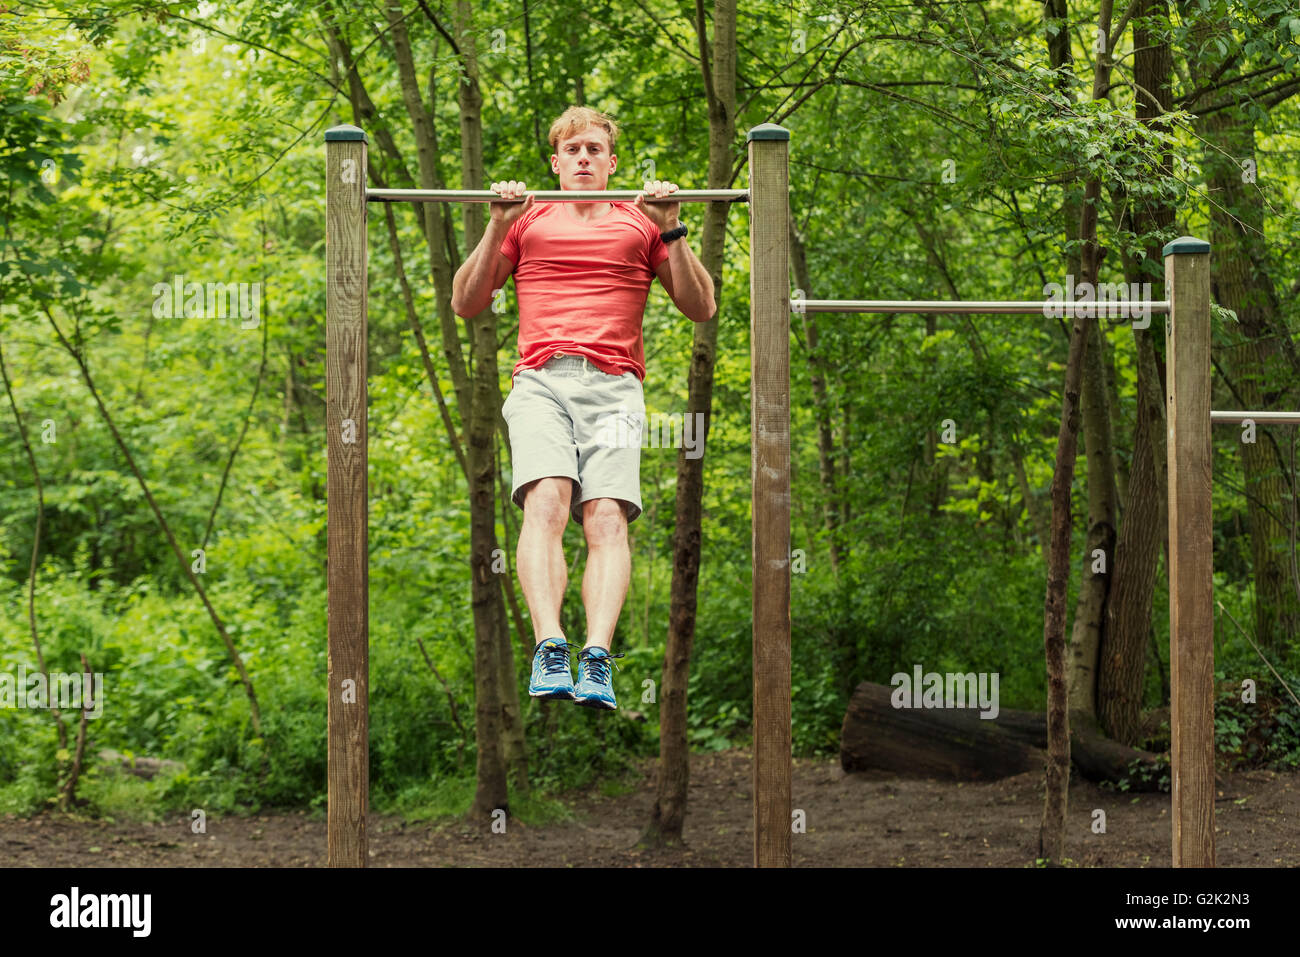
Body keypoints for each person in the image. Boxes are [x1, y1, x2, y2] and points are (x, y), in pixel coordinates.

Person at [450, 106, 716, 710]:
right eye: (573, 151)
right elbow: (467, 303)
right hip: (541, 380)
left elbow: (702, 308)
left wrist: (672, 226)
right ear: (556, 162)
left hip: (616, 385)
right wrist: (496, 225)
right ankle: (551, 647)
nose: (584, 159)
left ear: (612, 161)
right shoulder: (528, 218)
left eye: (595, 149)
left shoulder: (640, 221)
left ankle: (596, 657)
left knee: (605, 518)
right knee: (546, 500)